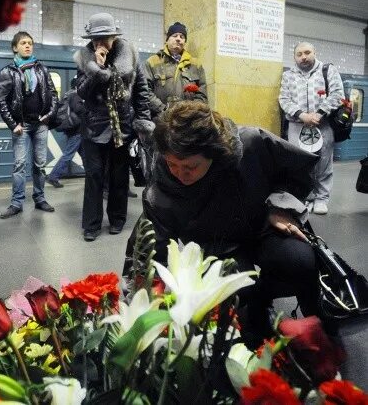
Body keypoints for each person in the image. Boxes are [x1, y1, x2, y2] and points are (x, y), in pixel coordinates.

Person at [124, 101, 321, 344]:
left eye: (190, 167)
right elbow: (151, 249)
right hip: (218, 245)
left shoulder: (251, 143)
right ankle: (255, 310)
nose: (178, 173)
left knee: (298, 261)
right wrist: (142, 305)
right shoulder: (161, 192)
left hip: (262, 224)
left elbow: (298, 171)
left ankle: (293, 309)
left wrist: (280, 205)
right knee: (233, 293)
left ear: (213, 153)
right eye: (171, 163)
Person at [75, 12, 152, 242]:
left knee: (119, 176)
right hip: (93, 127)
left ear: (114, 37)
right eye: (95, 39)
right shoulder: (85, 57)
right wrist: (97, 71)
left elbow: (141, 91)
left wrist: (143, 122)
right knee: (94, 176)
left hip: (123, 125)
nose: (100, 43)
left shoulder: (129, 56)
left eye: (104, 38)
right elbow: (81, 92)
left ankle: (117, 219)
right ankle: (91, 225)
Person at [0, 31, 59, 219]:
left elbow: (53, 94)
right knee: (19, 165)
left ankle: (40, 198)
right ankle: (16, 202)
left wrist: (48, 115)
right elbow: (1, 100)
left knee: (40, 164)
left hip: (40, 124)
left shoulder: (42, 69)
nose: (27, 46)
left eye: (30, 43)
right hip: (21, 126)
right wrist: (12, 124)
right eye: (23, 43)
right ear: (15, 47)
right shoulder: (7, 72)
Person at [278, 41, 344, 215]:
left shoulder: (328, 70)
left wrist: (319, 114)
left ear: (315, 52)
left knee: (323, 162)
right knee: (299, 163)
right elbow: (284, 99)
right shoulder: (288, 75)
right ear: (295, 57)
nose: (303, 57)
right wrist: (302, 115)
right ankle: (304, 197)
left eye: (307, 52)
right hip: (297, 124)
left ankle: (322, 199)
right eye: (299, 54)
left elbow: (338, 94)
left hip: (323, 124)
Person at [143, 21, 207, 117]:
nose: (178, 39)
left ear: (184, 42)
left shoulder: (195, 65)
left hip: (187, 121)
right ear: (167, 39)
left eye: (182, 37)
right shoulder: (152, 62)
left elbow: (202, 94)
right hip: (160, 120)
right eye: (175, 35)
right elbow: (145, 91)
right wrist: (163, 109)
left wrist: (191, 112)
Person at [46, 79, 85, 188]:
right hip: (76, 131)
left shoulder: (68, 94)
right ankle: (53, 176)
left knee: (85, 155)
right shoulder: (76, 95)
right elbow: (79, 110)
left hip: (73, 129)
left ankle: (93, 176)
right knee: (68, 155)